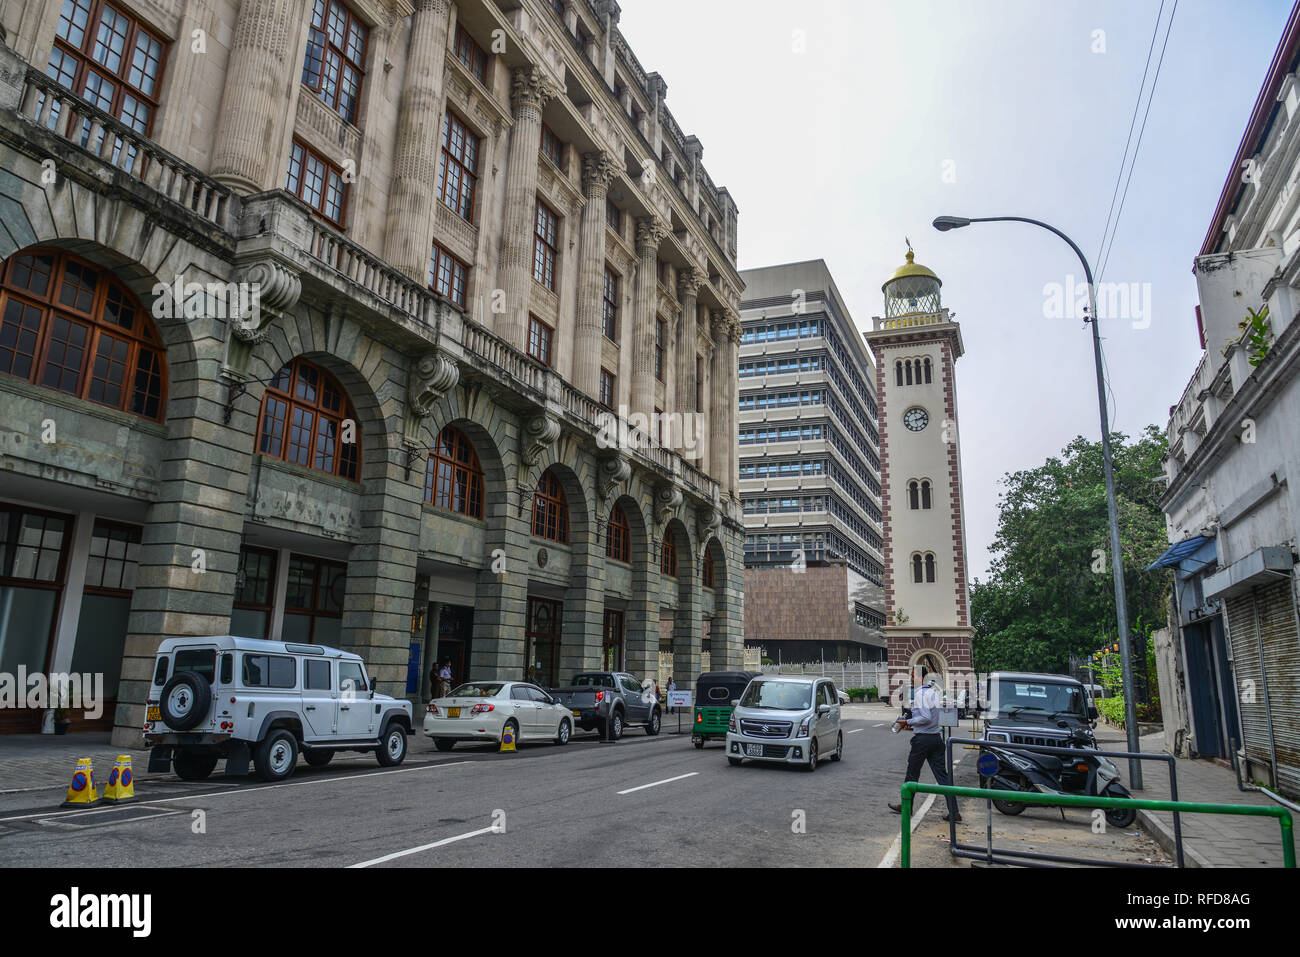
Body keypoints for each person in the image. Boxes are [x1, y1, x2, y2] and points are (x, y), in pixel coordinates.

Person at [888, 669, 961, 823]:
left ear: (921, 677)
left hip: (923, 741)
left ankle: (906, 807)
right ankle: (954, 811)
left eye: (913, 676)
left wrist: (907, 722)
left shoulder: (921, 694)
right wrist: (912, 724)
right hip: (935, 737)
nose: (911, 678)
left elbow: (925, 717)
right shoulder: (933, 693)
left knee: (912, 774)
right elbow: (929, 718)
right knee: (943, 777)